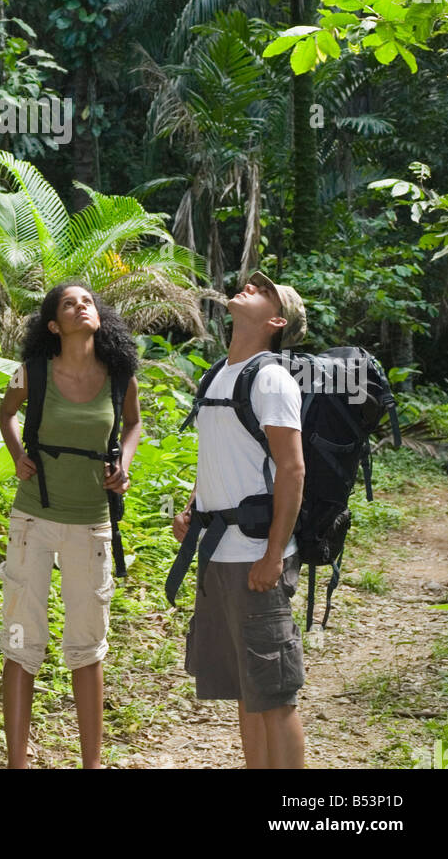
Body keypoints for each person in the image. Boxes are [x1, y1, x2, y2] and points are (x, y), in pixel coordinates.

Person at [0, 281, 142, 770]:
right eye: (69, 303)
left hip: (91, 524)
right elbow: (6, 412)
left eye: (88, 301)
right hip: (32, 519)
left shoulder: (119, 374)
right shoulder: (32, 371)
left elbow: (133, 424)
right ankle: (17, 762)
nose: (83, 306)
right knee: (21, 640)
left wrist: (124, 461)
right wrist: (18, 456)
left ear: (98, 316)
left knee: (87, 646)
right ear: (53, 325)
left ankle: (92, 765)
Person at [170, 270, 308, 770]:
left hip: (254, 556)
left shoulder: (269, 378)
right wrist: (193, 509)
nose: (248, 286)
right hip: (218, 553)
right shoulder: (217, 374)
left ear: (275, 320)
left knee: (274, 695)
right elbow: (223, 457)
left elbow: (292, 469)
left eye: (263, 290)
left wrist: (274, 555)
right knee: (248, 696)